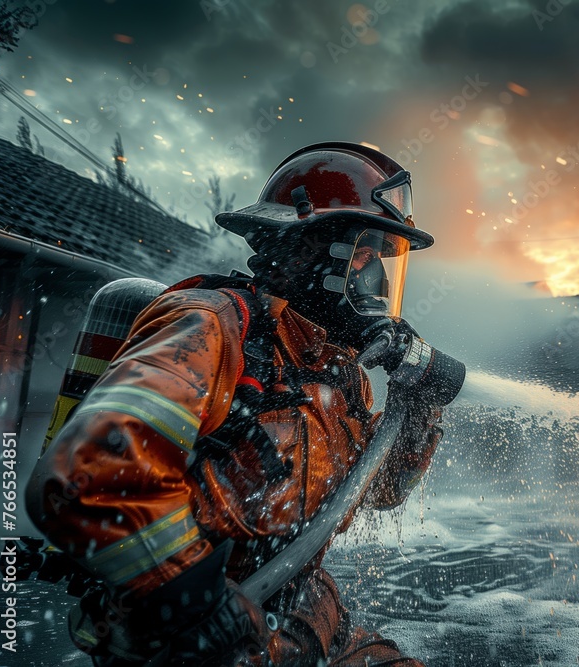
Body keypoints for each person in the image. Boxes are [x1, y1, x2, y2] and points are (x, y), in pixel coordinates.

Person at [26, 142, 445, 666]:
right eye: (366, 252)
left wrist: (422, 409)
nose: (376, 278)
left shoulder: (341, 375)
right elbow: (88, 482)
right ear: (308, 247)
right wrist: (194, 603)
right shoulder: (210, 327)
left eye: (384, 260)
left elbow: (380, 494)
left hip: (308, 613)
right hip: (195, 638)